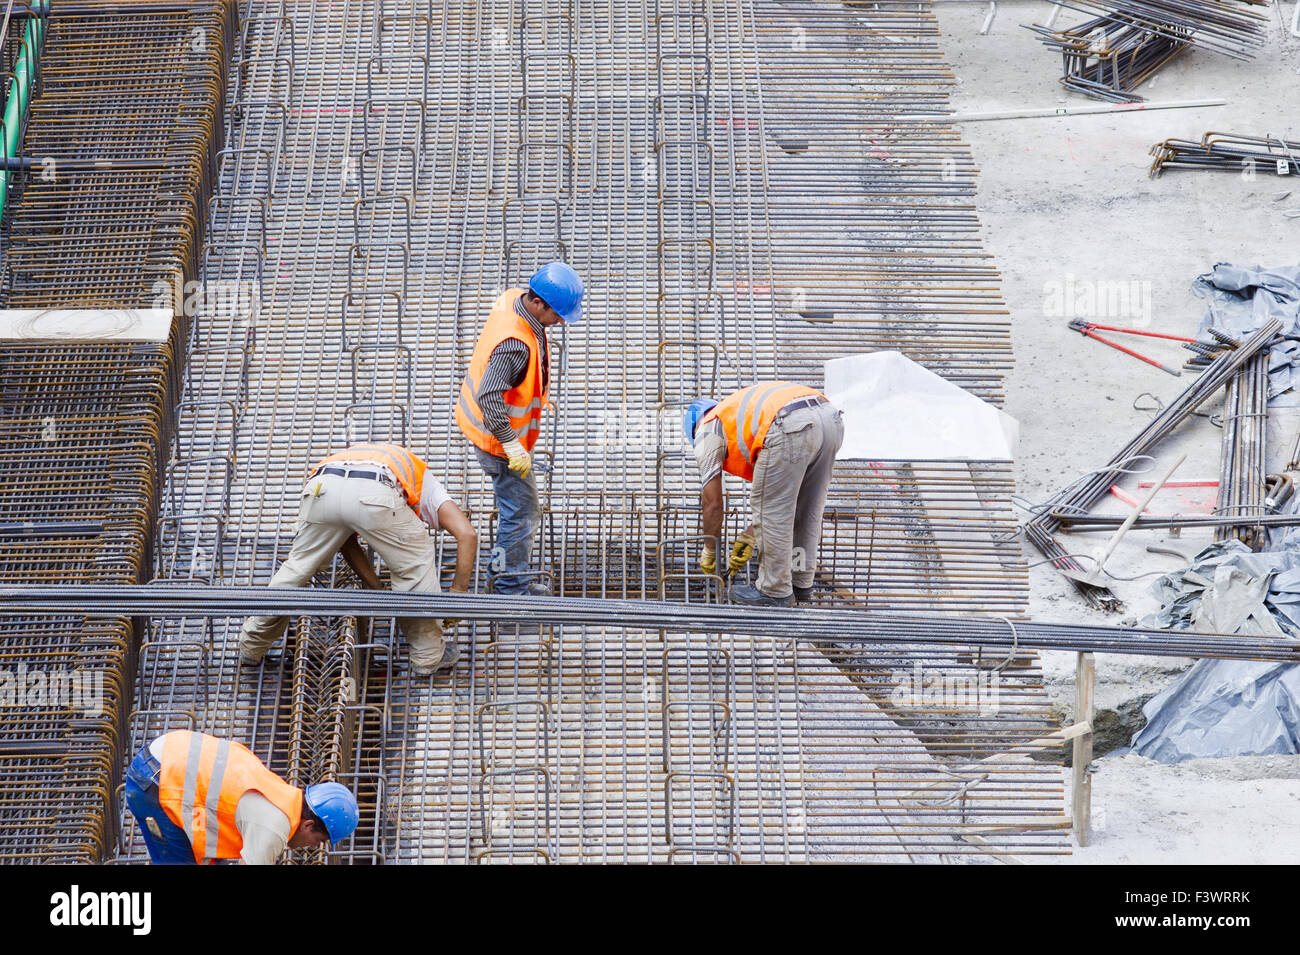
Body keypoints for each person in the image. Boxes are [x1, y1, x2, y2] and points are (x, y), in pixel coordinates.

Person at [238, 442, 478, 676]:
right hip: (375, 489)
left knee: (295, 570)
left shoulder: (372, 458)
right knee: (415, 565)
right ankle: (428, 657)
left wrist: (375, 586)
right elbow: (467, 534)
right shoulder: (426, 483)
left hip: (321, 488)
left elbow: (344, 539)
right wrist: (458, 594)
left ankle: (251, 645)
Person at [456, 261, 584, 595]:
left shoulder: (513, 299)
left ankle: (506, 580)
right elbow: (488, 395)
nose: (559, 322)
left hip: (495, 437)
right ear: (538, 303)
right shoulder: (514, 345)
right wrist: (511, 445)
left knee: (518, 510)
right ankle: (508, 590)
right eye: (557, 314)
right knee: (521, 514)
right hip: (498, 444)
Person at [684, 382, 844, 606]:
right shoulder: (738, 413)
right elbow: (787, 496)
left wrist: (709, 548)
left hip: (790, 424)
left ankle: (774, 589)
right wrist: (750, 534)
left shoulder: (707, 427)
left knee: (774, 510)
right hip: (830, 419)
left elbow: (712, 504)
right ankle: (800, 581)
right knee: (807, 508)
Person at [124, 729, 359, 864]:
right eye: (317, 841)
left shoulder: (281, 794)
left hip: (166, 754)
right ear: (308, 824)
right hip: (153, 783)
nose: (310, 846)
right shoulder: (275, 828)